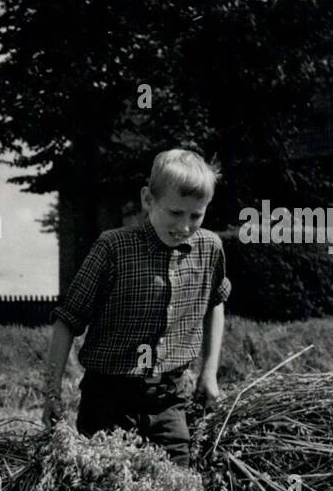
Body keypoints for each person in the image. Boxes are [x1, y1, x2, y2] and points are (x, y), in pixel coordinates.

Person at [41, 148, 230, 466]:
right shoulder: (113, 248)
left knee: (177, 488)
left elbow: (216, 302)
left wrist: (209, 374)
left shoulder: (210, 248)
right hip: (108, 400)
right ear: (147, 199)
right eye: (174, 213)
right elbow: (67, 320)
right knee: (107, 490)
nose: (184, 226)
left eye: (195, 215)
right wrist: (51, 392)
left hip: (169, 400)